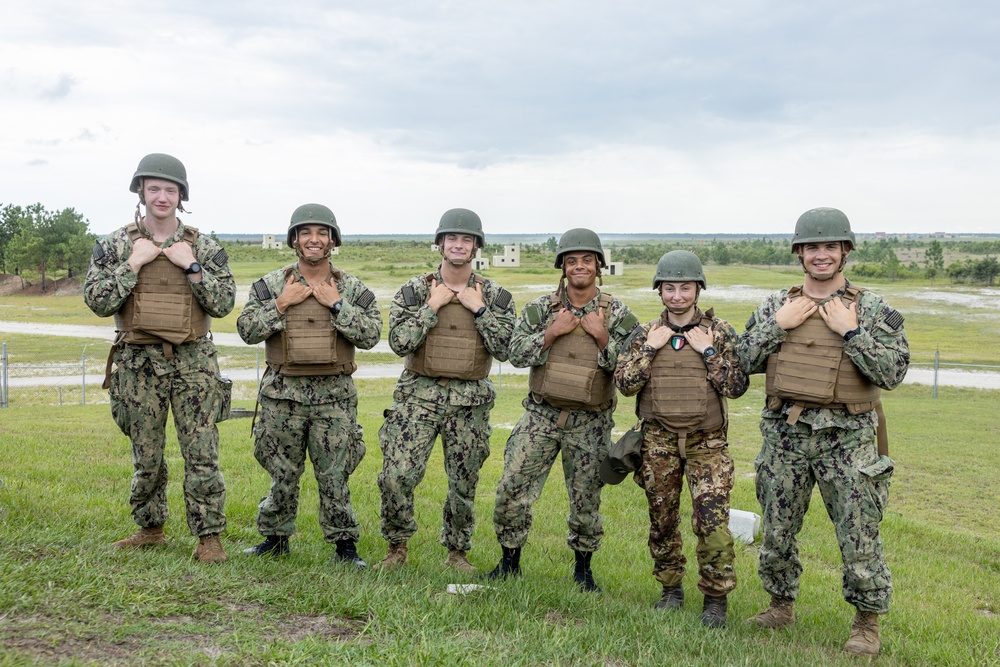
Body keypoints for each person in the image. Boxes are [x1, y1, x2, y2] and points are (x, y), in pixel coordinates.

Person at [738, 207, 909, 655]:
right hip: (785, 436)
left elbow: (893, 373)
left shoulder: (870, 309)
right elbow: (740, 363)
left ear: (845, 250)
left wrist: (851, 333)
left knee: (859, 534)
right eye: (811, 247)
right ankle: (780, 605)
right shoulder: (777, 305)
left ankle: (866, 623)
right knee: (778, 529)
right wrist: (779, 326)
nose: (821, 255)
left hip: (848, 439)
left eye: (830, 246)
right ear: (799, 253)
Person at [84, 153, 235, 563]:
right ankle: (150, 528)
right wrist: (134, 263)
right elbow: (97, 301)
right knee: (146, 453)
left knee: (202, 452)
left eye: (170, 190)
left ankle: (209, 537)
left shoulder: (203, 246)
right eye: (154, 188)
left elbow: (223, 304)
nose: (162, 197)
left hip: (194, 362)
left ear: (181, 195)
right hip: (138, 363)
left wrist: (193, 266)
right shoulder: (116, 245)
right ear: (140, 191)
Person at [488, 228, 638, 592]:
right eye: (572, 261)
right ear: (563, 267)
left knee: (586, 499)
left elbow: (632, 371)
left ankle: (583, 572)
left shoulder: (618, 314)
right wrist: (551, 333)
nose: (579, 266)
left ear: (598, 266)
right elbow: (515, 354)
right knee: (512, 487)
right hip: (541, 415)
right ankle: (509, 563)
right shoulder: (541, 309)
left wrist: (603, 337)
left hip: (590, 422)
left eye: (587, 260)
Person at [236, 203, 381, 567]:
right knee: (282, 472)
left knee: (335, 474)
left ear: (333, 240)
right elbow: (247, 330)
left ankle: (345, 547)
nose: (314, 240)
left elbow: (372, 335)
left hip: (334, 398)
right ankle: (275, 539)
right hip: (282, 396)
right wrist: (281, 303)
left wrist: (338, 305)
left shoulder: (351, 288)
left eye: (321, 233)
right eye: (305, 233)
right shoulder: (272, 285)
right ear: (294, 240)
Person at [612, 250, 748, 626]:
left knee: (713, 524)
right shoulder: (645, 333)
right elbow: (624, 384)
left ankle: (715, 598)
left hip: (708, 444)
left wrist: (708, 350)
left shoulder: (720, 332)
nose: (677, 296)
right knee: (662, 521)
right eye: (669, 288)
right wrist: (650, 348)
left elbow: (736, 386)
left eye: (685, 288)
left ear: (698, 289)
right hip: (658, 442)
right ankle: (671, 588)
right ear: (659, 291)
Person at [377, 208, 515, 571]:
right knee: (396, 476)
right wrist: (431, 306)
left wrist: (480, 311)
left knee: (463, 482)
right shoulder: (414, 290)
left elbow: (506, 350)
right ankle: (396, 548)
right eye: (452, 238)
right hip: (417, 397)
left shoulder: (494, 295)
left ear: (476, 246)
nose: (458, 245)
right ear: (440, 243)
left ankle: (457, 553)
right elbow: (399, 342)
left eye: (466, 239)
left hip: (469, 402)